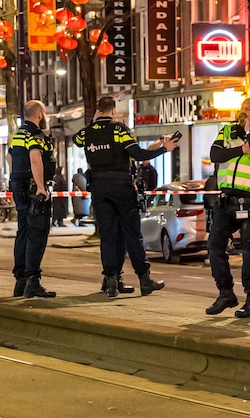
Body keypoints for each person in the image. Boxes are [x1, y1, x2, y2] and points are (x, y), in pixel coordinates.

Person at [74, 96, 175, 298]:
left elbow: (77, 140)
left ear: (98, 110)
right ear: (114, 109)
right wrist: (164, 149)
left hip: (99, 189)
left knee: (109, 235)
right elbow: (137, 154)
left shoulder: (87, 132)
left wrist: (93, 123)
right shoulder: (119, 130)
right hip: (121, 187)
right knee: (132, 234)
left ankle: (112, 281)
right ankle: (144, 280)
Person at [205, 96, 250, 318]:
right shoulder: (226, 131)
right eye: (242, 109)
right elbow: (215, 155)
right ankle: (226, 292)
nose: (243, 112)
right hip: (227, 201)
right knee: (215, 246)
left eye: (248, 110)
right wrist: (241, 150)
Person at [9, 100, 58, 298]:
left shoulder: (18, 134)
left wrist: (16, 178)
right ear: (39, 114)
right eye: (44, 113)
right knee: (37, 234)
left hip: (19, 187)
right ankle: (33, 281)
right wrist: (40, 187)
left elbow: (10, 157)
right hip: (32, 189)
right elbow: (35, 158)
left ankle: (20, 281)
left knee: (23, 232)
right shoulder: (36, 135)